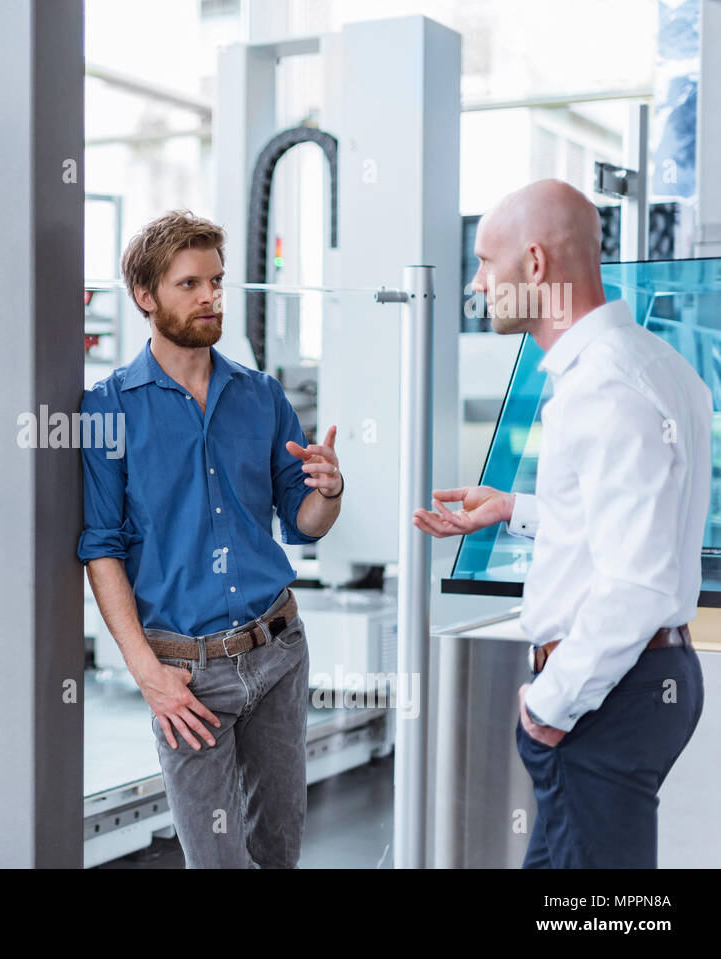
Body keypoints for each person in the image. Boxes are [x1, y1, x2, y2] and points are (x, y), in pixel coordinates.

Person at [413, 179, 709, 868]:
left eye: (487, 262)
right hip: (637, 682)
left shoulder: (603, 387)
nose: (478, 283)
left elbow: (636, 581)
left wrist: (550, 704)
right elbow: (634, 523)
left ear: (537, 265)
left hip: (607, 694)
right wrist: (515, 509)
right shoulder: (657, 366)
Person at [78, 210, 342, 868]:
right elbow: (101, 547)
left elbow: (302, 522)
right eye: (189, 284)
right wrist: (148, 675)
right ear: (146, 296)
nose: (209, 297)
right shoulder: (108, 408)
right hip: (184, 675)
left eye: (217, 282)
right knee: (218, 862)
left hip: (278, 651)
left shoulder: (261, 395)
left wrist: (329, 491)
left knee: (278, 852)